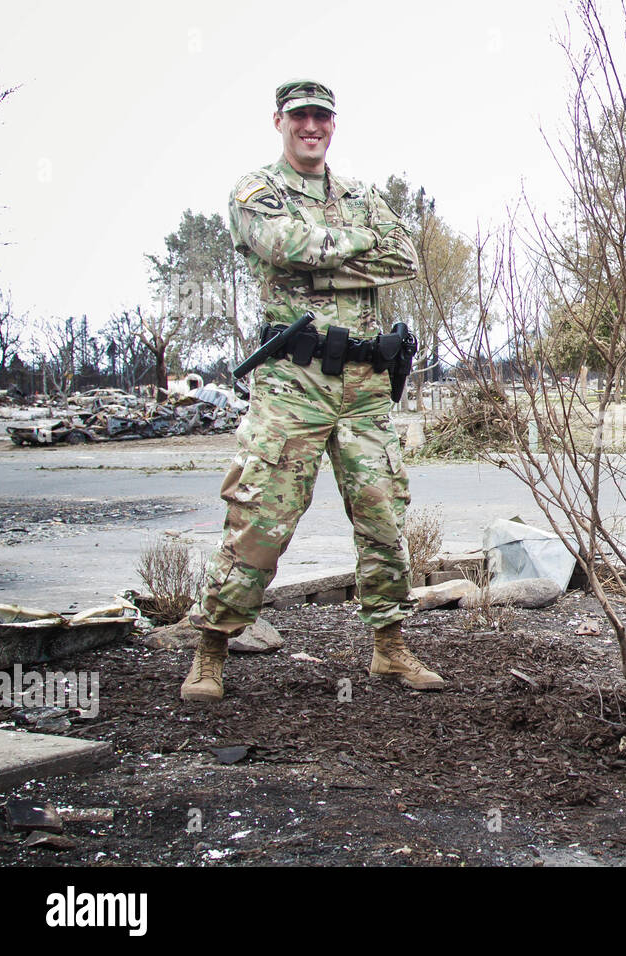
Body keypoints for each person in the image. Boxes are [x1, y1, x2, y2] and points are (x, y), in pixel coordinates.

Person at [181, 79, 441, 702]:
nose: (311, 127)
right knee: (261, 516)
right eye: (300, 116)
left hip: (367, 386)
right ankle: (212, 648)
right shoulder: (256, 192)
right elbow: (278, 243)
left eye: (321, 117)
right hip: (294, 383)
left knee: (383, 513)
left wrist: (319, 254)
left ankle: (389, 647)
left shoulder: (359, 194)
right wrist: (353, 245)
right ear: (279, 121)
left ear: (333, 124)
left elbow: (405, 255)